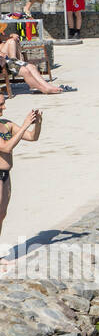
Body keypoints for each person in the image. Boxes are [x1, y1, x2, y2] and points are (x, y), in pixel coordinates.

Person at [0, 99, 41, 240]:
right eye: (0, 104)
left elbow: (32, 137)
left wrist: (38, 123)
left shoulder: (7, 124)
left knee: (2, 214)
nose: (4, 107)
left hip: (5, 175)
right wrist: (24, 125)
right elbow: (6, 147)